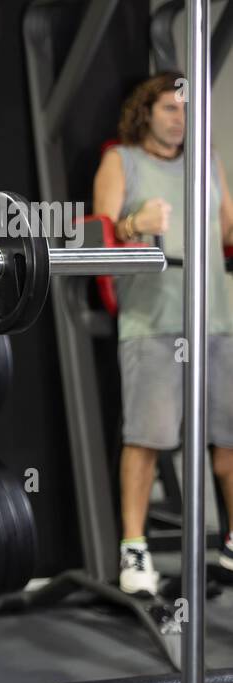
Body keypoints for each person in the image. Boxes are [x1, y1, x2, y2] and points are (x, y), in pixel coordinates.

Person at [92, 71, 233, 594]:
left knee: (228, 441)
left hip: (215, 316)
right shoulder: (121, 160)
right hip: (153, 319)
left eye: (188, 110)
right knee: (148, 438)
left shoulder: (207, 162)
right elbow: (100, 236)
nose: (181, 118)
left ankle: (231, 547)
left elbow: (226, 231)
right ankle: (135, 551)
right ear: (146, 111)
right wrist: (135, 223)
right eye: (171, 108)